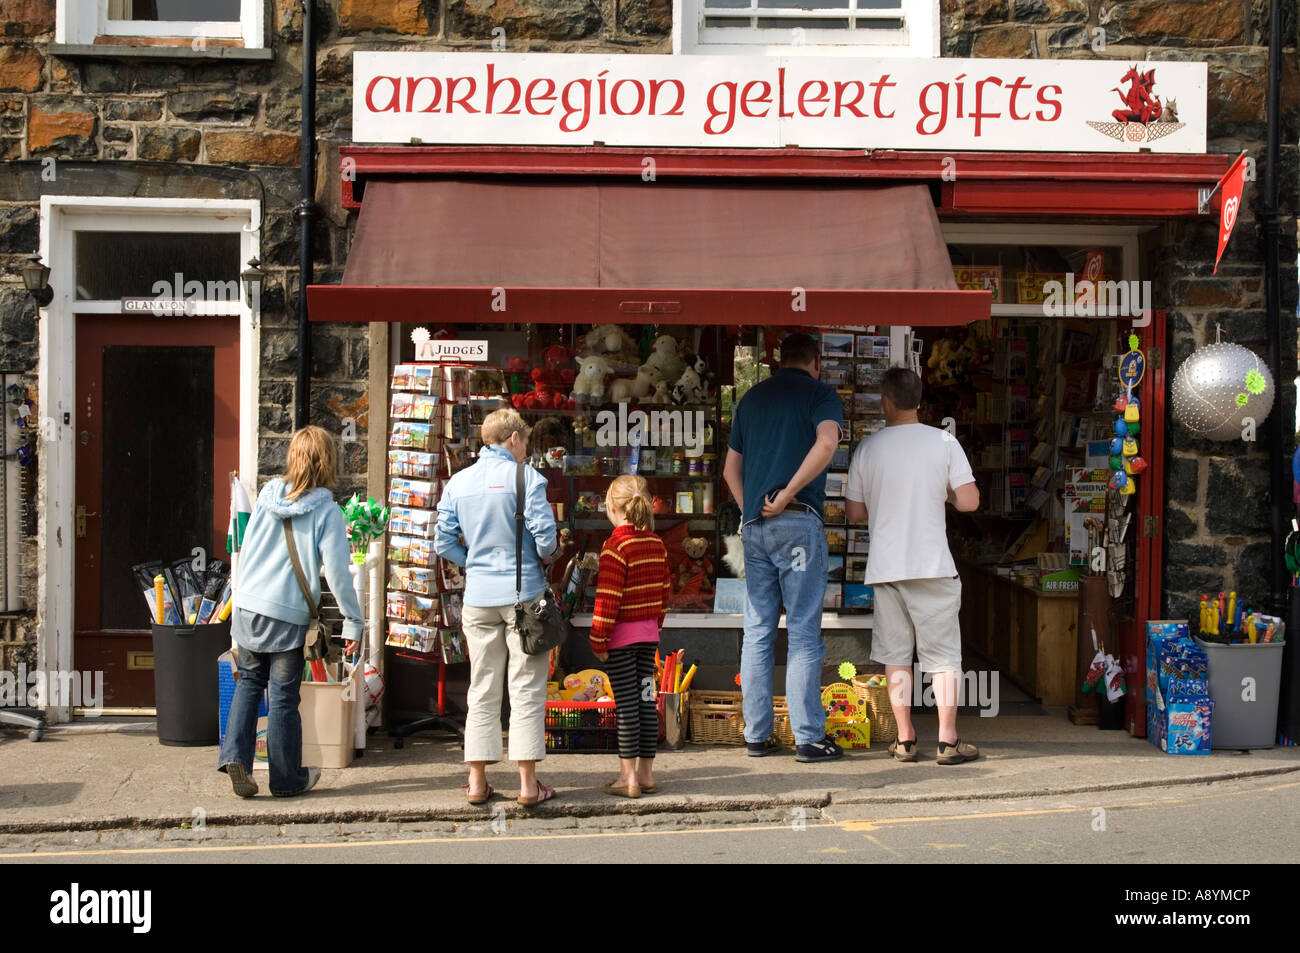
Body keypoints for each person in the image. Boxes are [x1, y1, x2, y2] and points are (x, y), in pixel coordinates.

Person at [844, 366, 981, 765]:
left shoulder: (868, 449)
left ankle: (905, 740)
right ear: (919, 401)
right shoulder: (944, 442)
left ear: (886, 402)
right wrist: (946, 495)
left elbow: (854, 512)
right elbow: (970, 501)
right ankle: (948, 740)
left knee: (896, 656)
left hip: (887, 567)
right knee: (942, 657)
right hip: (933, 565)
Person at [219, 425, 364, 798]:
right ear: (327, 460)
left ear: (293, 457)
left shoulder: (267, 494)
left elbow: (246, 551)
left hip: (249, 606)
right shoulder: (327, 511)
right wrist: (353, 620)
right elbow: (337, 573)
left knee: (249, 683)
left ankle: (237, 757)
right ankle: (286, 780)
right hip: (286, 613)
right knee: (283, 695)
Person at [723, 333, 844, 762]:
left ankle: (756, 735)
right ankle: (809, 738)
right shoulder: (820, 394)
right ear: (815, 361)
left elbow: (729, 469)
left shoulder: (752, 399)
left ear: (779, 360)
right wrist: (791, 492)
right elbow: (827, 443)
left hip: (756, 525)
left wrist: (751, 509)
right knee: (804, 634)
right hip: (797, 523)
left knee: (757, 632)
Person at [435, 408, 559, 807]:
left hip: (478, 598)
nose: (525, 447)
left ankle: (476, 782)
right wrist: (539, 553)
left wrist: (474, 562)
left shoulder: (459, 482)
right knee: (526, 689)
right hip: (524, 595)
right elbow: (546, 543)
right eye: (524, 440)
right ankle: (527, 785)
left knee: (482, 687)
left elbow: (443, 542)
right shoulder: (528, 479)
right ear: (514, 440)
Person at [589, 475, 672, 799]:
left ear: (612, 508)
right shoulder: (656, 544)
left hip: (621, 643)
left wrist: (598, 640)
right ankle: (647, 775)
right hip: (648, 639)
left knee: (626, 708)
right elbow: (665, 592)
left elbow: (607, 600)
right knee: (647, 703)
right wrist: (655, 626)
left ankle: (628, 778)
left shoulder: (615, 546)